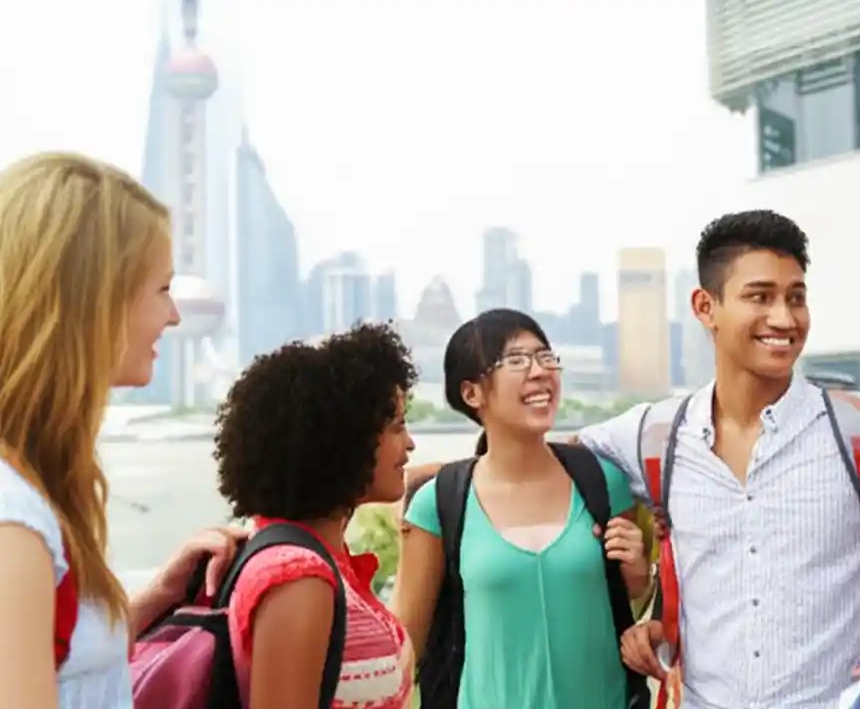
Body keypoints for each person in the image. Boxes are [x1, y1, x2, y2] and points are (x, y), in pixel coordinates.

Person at [578, 210, 860, 709]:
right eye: (760, 297)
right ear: (704, 306)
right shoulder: (655, 437)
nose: (784, 318)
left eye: (796, 298)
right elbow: (531, 464)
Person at [0, 151, 250, 708]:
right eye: (162, 289)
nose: (175, 316)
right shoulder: (13, 521)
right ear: (94, 301)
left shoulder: (33, 492)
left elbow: (61, 668)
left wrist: (152, 598)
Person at [394, 309, 651, 709]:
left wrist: (638, 572)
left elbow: (626, 600)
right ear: (471, 393)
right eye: (515, 360)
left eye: (546, 357)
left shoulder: (603, 483)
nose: (539, 371)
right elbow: (406, 646)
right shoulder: (439, 504)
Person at [214, 322, 418, 707]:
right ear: (345, 442)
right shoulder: (298, 576)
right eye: (397, 426)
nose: (409, 443)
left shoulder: (319, 562)